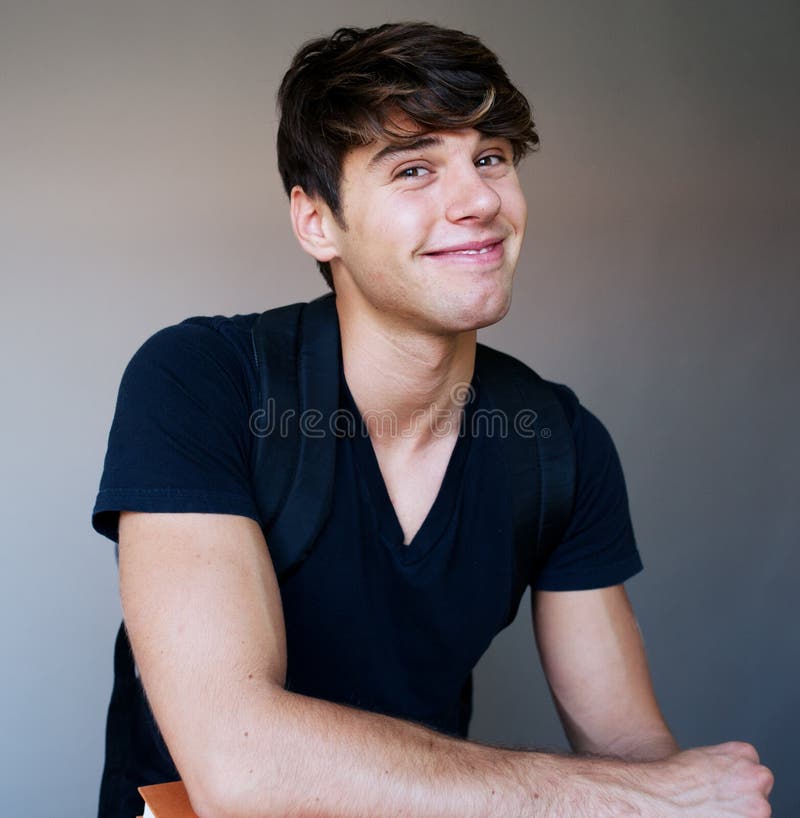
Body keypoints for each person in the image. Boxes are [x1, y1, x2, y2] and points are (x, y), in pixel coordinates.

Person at [93, 21, 774, 818]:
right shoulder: (204, 380)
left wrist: (682, 798)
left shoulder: (557, 441)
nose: (480, 199)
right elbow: (239, 765)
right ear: (317, 221)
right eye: (414, 169)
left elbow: (633, 758)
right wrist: (615, 797)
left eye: (491, 158)